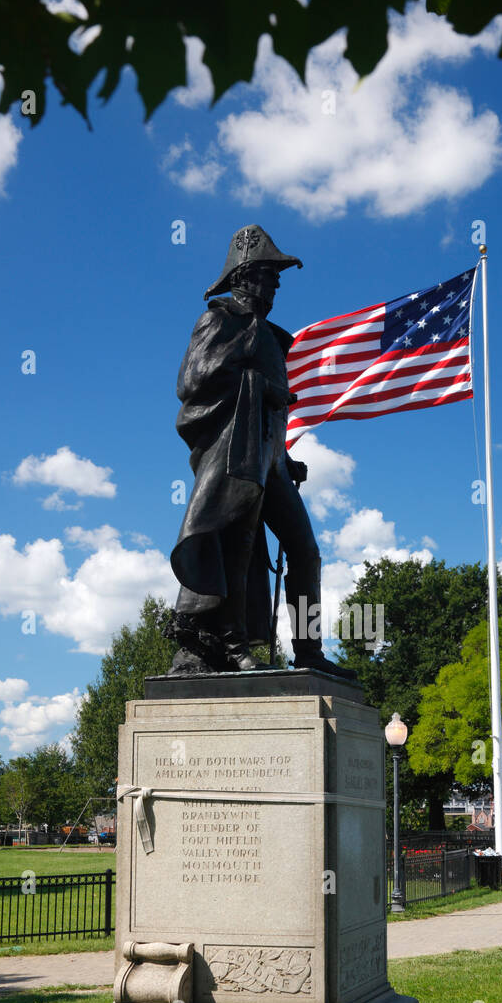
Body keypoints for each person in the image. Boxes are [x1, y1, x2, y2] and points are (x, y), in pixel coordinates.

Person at [165, 224, 356, 680]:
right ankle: (231, 645)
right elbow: (193, 382)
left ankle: (308, 651)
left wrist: (285, 457)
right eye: (270, 274)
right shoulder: (218, 320)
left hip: (269, 460)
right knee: (239, 546)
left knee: (305, 551)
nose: (276, 283)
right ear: (245, 276)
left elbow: (272, 414)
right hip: (235, 459)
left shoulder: (272, 337)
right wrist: (264, 387)